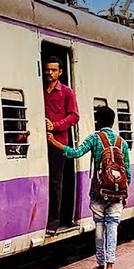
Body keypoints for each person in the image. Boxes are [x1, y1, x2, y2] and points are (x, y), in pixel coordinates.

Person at [48, 105, 130, 269]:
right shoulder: (122, 142)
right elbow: (127, 173)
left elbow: (75, 153)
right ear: (113, 122)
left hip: (99, 190)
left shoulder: (94, 138)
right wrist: (123, 193)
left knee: (100, 226)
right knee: (112, 226)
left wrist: (55, 142)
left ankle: (101, 264)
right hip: (117, 192)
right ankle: (110, 265)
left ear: (97, 122)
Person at [42, 55, 79, 233]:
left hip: (58, 144)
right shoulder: (39, 89)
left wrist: (55, 125)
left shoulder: (66, 92)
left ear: (60, 72)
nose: (49, 73)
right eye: (47, 69)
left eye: (53, 70)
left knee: (56, 182)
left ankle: (54, 221)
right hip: (40, 142)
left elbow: (74, 116)